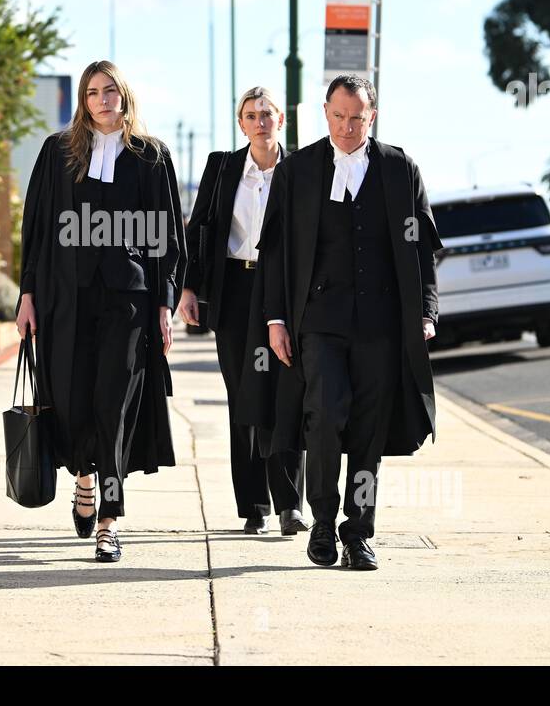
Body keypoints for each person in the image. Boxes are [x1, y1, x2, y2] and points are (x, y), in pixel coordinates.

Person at [258, 73, 442, 570]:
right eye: (338, 116)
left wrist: (426, 312)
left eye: (356, 117)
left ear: (371, 116)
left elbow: (422, 250)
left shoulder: (400, 170)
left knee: (367, 430)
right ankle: (321, 522)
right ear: (325, 112)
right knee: (322, 418)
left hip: (382, 324)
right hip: (318, 320)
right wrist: (275, 319)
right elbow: (274, 251)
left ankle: (358, 533)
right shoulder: (297, 172)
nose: (346, 126)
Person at [15, 59, 185, 563]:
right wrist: (26, 295)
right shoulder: (56, 153)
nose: (102, 99)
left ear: (125, 96)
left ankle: (109, 519)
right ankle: (83, 479)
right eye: (92, 92)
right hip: (63, 299)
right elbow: (37, 229)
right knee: (70, 399)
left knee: (115, 404)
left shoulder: (151, 158)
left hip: (127, 301)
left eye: (111, 90)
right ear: (84, 102)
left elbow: (168, 237)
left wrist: (165, 303)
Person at [180, 86, 308, 536]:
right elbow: (199, 232)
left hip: (284, 294)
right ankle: (253, 504)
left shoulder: (301, 170)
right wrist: (189, 288)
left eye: (267, 114)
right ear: (241, 123)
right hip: (235, 288)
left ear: (281, 121)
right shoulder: (223, 167)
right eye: (251, 115)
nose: (260, 122)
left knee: (285, 394)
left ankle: (291, 503)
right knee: (243, 397)